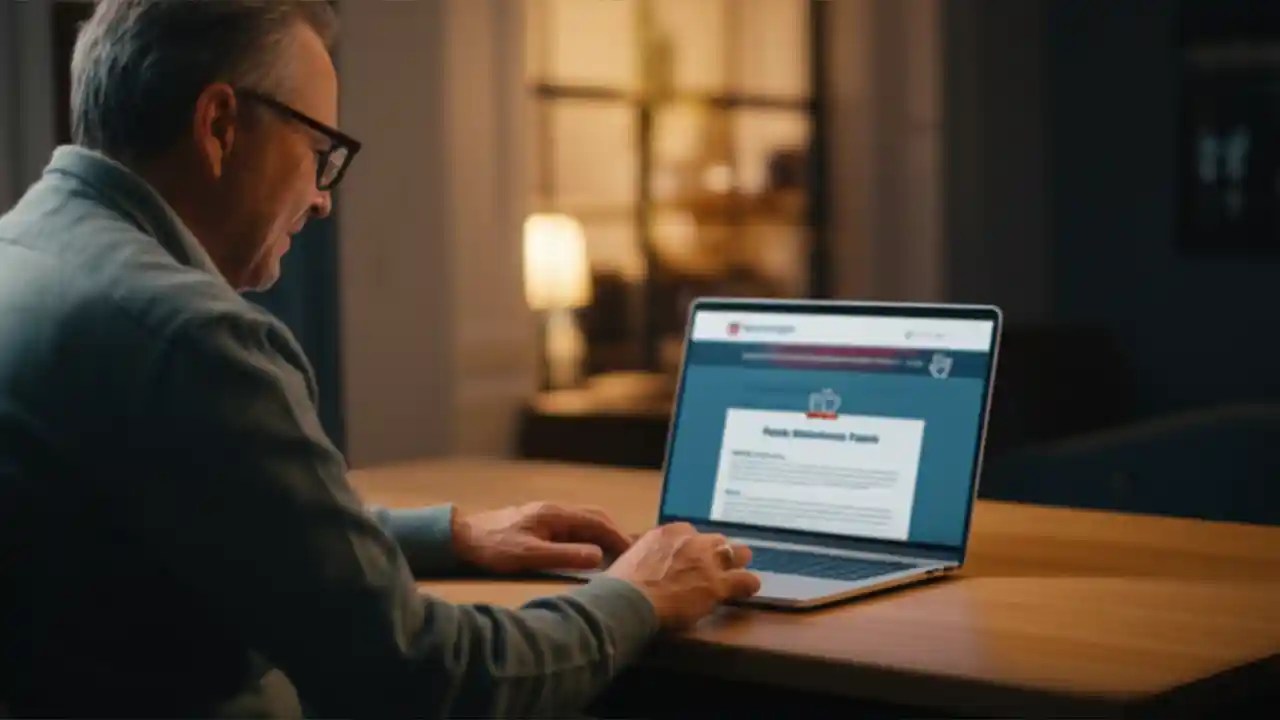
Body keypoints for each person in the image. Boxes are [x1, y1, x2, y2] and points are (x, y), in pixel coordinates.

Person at [0, 1, 761, 717]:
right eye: (319, 152)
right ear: (221, 125)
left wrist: (450, 536)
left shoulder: (23, 259)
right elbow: (423, 677)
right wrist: (637, 596)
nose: (323, 198)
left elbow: (207, 526)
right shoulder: (194, 339)